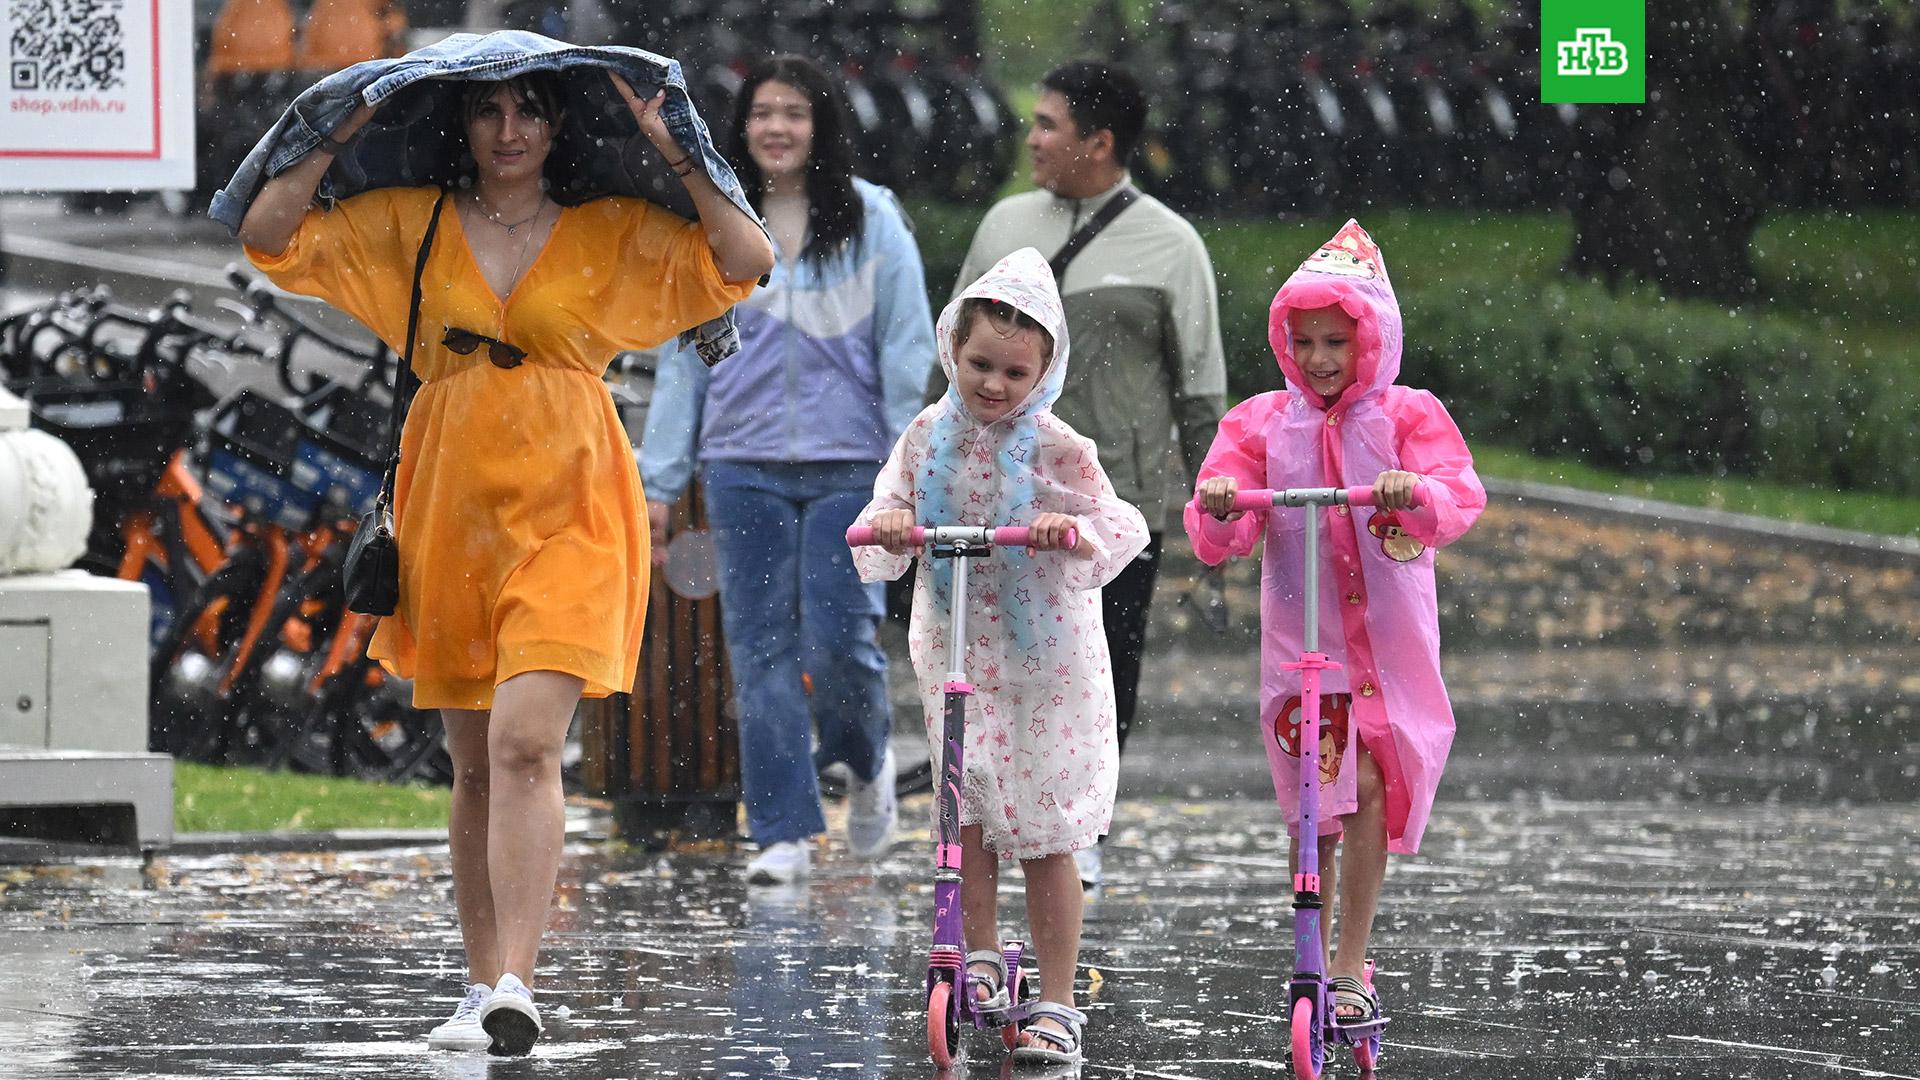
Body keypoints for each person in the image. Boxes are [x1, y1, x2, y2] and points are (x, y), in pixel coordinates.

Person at [237, 70, 773, 1054]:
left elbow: (745, 255)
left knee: (526, 740)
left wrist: (677, 149)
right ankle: (480, 984)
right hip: (451, 509)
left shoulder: (610, 227)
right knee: (473, 763)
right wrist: (337, 122)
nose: (510, 128)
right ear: (464, 122)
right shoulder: (414, 223)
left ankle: (518, 980)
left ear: (561, 121)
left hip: (574, 506)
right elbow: (270, 236)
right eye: (490, 109)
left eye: (530, 109)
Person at [642, 55, 937, 886]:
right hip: (742, 465)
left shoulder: (874, 219)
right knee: (759, 648)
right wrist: (661, 485)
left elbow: (908, 346)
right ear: (741, 129)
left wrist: (901, 473)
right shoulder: (716, 223)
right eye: (763, 114)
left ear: (821, 127)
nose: (777, 128)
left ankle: (867, 759)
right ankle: (781, 828)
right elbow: (682, 362)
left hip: (853, 469)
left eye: (794, 114)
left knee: (841, 643)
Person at [1184, 221, 1485, 1024]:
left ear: (1372, 342)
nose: (1319, 359)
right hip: (1302, 645)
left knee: (1376, 786)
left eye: (1336, 342)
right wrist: (1218, 505)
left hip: (1387, 648)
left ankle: (1351, 962)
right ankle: (1309, 950)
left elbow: (1457, 496)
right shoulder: (1258, 424)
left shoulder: (1408, 416)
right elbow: (1223, 529)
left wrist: (1410, 491)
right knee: (1314, 799)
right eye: (1304, 340)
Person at [855, 249, 1150, 1065]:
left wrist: (1068, 530)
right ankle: (977, 952)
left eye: (1015, 372)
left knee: (1048, 831)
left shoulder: (1056, 444)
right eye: (980, 363)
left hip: (1044, 666)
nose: (993, 385)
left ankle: (1058, 998)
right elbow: (889, 506)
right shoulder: (926, 435)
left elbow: (1121, 527)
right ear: (954, 348)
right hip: (957, 652)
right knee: (967, 809)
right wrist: (887, 523)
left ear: (1045, 369)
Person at [943, 59, 1227, 887]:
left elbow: (1200, 390)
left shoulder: (1173, 245)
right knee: (999, 671)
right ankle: (999, 823)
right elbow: (958, 362)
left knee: (1100, 674)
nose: (1031, 138)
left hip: (1116, 508)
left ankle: (1079, 833)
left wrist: (1221, 518)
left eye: (1047, 124)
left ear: (1099, 142)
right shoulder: (1003, 226)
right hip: (1002, 502)